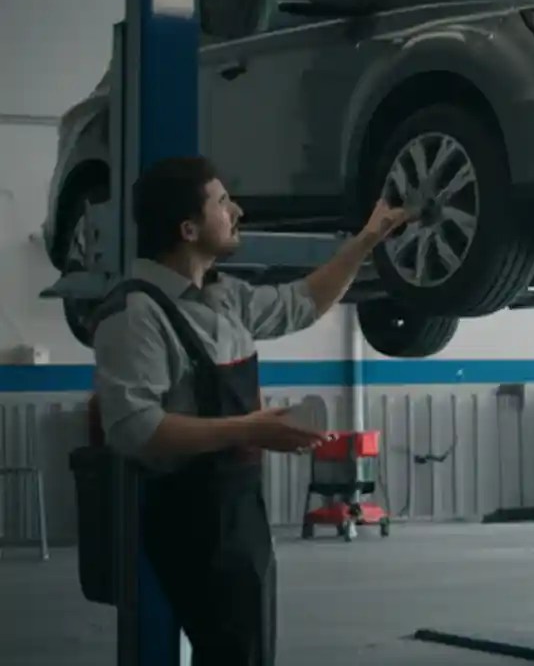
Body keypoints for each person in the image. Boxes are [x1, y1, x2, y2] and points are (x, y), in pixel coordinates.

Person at [91, 155, 410, 665]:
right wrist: (250, 428)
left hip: (241, 509)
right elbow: (135, 430)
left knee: (248, 651)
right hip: (191, 518)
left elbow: (304, 301)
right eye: (222, 201)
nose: (236, 210)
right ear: (189, 228)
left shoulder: (223, 297)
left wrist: (368, 238)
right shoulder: (135, 314)